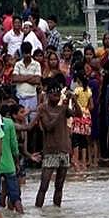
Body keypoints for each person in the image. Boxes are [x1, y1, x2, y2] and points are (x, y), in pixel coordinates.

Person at [35, 80, 81, 208]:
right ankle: (38, 212)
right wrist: (62, 111)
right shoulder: (43, 108)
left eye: (58, 94)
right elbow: (48, 127)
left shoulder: (63, 108)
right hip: (50, 151)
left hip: (64, 150)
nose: (56, 97)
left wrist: (74, 100)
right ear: (48, 95)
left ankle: (57, 212)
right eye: (53, 94)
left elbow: (79, 114)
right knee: (44, 185)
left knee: (59, 186)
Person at [0, 102, 23, 213]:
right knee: (15, 196)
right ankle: (21, 216)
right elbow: (14, 146)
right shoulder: (9, 123)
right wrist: (17, 163)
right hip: (9, 165)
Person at [12, 42, 42, 122]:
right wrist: (30, 76)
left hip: (32, 97)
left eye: (29, 52)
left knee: (33, 121)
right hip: (20, 97)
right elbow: (14, 78)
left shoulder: (36, 64)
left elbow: (37, 80)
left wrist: (21, 77)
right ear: (22, 53)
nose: (27, 55)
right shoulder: (18, 64)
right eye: (25, 53)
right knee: (21, 121)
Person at [71, 72, 93, 172]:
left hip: (77, 115)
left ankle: (76, 161)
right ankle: (84, 162)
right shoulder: (89, 91)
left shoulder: (77, 90)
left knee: (75, 138)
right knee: (83, 139)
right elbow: (92, 106)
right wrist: (86, 109)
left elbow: (74, 102)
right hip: (86, 115)